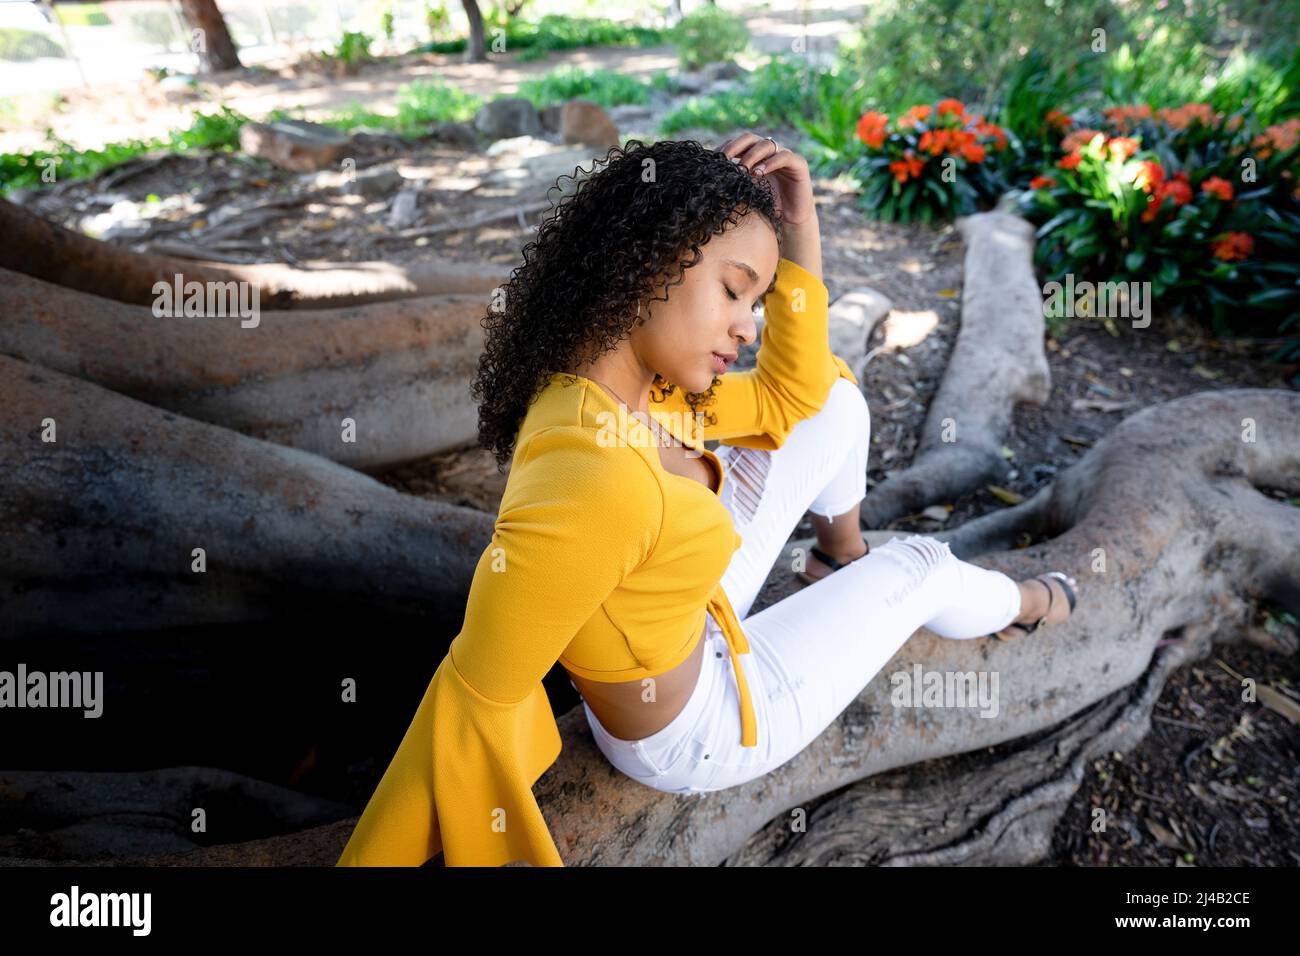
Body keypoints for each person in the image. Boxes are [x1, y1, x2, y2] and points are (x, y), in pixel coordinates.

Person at [336, 133, 1079, 868]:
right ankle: (1031, 602)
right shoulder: (595, 477)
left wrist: (800, 224)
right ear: (642, 263)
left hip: (689, 607)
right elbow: (476, 696)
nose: (747, 327)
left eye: (755, 300)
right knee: (920, 567)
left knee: (834, 403)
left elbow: (793, 394)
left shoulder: (623, 390)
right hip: (698, 729)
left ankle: (838, 556)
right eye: (732, 290)